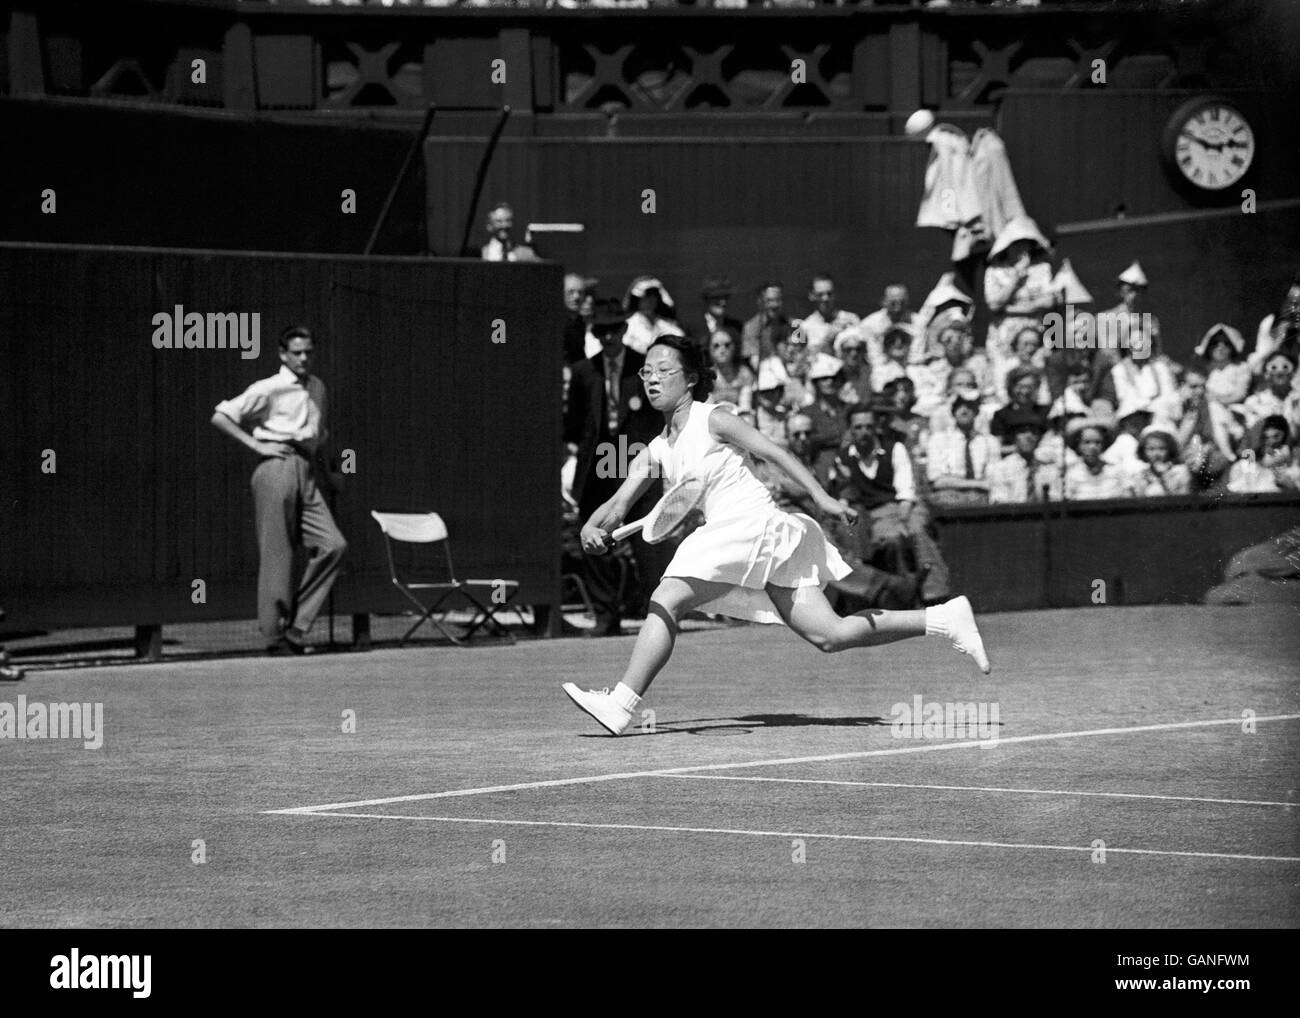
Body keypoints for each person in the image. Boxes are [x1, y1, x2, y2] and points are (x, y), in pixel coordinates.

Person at [561, 337, 989, 736]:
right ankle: (943, 618)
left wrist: (823, 497)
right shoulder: (656, 448)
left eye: (662, 370)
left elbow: (775, 452)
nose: (651, 378)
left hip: (751, 525)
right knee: (830, 635)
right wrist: (590, 527)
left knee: (667, 597)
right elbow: (617, 506)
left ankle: (622, 701)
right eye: (646, 372)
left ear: (690, 378)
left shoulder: (716, 418)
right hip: (748, 537)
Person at [211, 325, 347, 654]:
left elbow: (319, 436)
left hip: (307, 470)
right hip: (276, 467)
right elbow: (221, 415)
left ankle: (296, 629)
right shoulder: (270, 387)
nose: (303, 358)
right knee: (278, 553)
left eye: (308, 352)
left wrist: (331, 476)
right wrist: (257, 445)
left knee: (334, 545)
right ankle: (274, 637)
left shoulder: (317, 387)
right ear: (283, 354)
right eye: (296, 353)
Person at [564, 300, 669, 636]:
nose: (608, 337)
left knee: (647, 538)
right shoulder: (584, 372)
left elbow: (658, 414)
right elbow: (576, 423)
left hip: (634, 458)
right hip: (597, 464)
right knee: (595, 537)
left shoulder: (644, 367)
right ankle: (607, 616)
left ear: (624, 330)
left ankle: (662, 612)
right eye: (602, 332)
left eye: (614, 330)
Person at [830, 401, 952, 604]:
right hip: (877, 513)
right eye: (859, 427)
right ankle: (905, 592)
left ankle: (936, 594)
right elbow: (844, 495)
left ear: (875, 426)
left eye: (869, 426)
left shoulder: (894, 449)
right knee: (892, 539)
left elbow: (906, 491)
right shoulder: (843, 458)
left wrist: (903, 520)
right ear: (851, 430)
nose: (864, 432)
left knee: (917, 532)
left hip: (908, 506)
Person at [983, 216, 1057, 374]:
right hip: (1003, 337)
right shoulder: (994, 272)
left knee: (1037, 374)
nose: (1021, 249)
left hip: (1035, 334)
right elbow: (994, 304)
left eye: (1026, 244)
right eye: (1016, 244)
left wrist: (1012, 308)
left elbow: (1049, 300)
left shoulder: (1042, 269)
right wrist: (1016, 277)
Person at [927, 396, 1002, 506]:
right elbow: (937, 481)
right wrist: (976, 484)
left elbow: (993, 479)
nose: (964, 410)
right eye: (959, 407)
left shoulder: (989, 441)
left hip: (981, 496)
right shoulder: (938, 440)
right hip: (949, 495)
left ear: (976, 412)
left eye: (969, 407)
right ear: (953, 412)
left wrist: (954, 481)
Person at [987, 411, 1061, 504]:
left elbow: (1056, 499)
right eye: (1022, 432)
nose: (1028, 437)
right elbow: (999, 500)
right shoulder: (1002, 468)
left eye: (1034, 432)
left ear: (1039, 438)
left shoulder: (1048, 467)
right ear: (1014, 437)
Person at [1063, 420, 1134, 500]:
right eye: (1087, 442)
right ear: (1078, 446)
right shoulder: (1071, 474)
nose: (1093, 447)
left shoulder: (1116, 470)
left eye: (1097, 442)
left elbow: (1129, 495)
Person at [792, 273, 860, 356]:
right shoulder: (805, 327)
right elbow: (806, 359)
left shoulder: (851, 319)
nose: (825, 298)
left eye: (829, 294)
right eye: (820, 295)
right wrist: (829, 339)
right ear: (812, 296)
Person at [622, 276, 684, 355]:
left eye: (654, 295)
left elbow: (680, 339)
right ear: (637, 299)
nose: (651, 299)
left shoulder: (669, 327)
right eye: (647, 295)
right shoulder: (628, 326)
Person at [1194, 324, 1252, 408]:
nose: (1220, 348)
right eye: (1215, 343)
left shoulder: (1241, 367)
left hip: (1231, 409)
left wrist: (1219, 401)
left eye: (1226, 343)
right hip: (1206, 409)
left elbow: (1240, 394)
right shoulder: (1205, 369)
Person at [707, 330, 756, 423]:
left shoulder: (744, 373)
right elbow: (707, 408)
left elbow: (745, 407)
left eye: (727, 345)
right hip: (713, 420)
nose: (722, 350)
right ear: (709, 349)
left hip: (738, 420)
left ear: (734, 347)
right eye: (716, 346)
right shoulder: (707, 375)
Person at [1129, 425, 1192, 497]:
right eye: (1151, 449)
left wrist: (1164, 475)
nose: (1156, 454)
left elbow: (1182, 498)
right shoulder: (1141, 475)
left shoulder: (1181, 472)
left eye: (1161, 448)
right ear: (1143, 451)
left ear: (1170, 449)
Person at [741, 282, 793, 367]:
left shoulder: (793, 324)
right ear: (760, 302)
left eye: (778, 300)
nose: (774, 305)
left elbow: (801, 353)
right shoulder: (751, 328)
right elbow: (755, 363)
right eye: (769, 300)